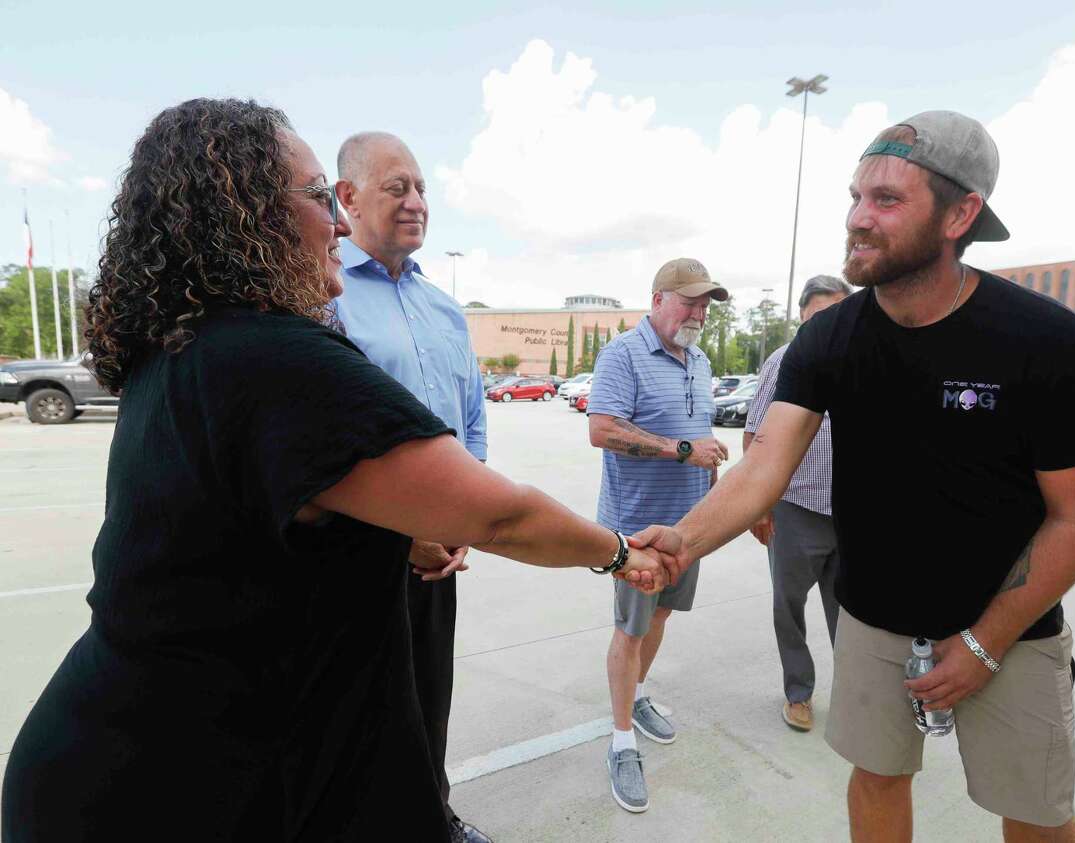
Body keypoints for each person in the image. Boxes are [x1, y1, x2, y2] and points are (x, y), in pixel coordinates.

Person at [0, 98, 663, 843]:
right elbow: (500, 514)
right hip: (162, 792)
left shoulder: (191, 349)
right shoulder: (275, 358)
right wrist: (620, 551)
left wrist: (398, 534)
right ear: (245, 213)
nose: (339, 225)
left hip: (121, 764)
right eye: (320, 197)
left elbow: (255, 523)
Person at [632, 111, 1075, 842]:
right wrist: (682, 538)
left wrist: (985, 644)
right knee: (876, 779)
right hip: (871, 622)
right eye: (856, 196)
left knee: (1035, 812)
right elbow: (765, 463)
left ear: (961, 214)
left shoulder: (1048, 343)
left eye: (887, 200)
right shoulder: (830, 337)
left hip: (1012, 629)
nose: (858, 219)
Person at [332, 131, 489, 843]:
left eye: (422, 188)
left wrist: (470, 519)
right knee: (356, 711)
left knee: (431, 695)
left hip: (442, 556)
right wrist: (399, 537)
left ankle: (435, 818)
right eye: (397, 187)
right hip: (355, 554)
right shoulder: (322, 295)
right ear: (348, 197)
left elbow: (472, 418)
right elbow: (319, 440)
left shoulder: (443, 309)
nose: (416, 202)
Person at [586, 257, 729, 814]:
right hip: (637, 528)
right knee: (630, 628)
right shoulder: (623, 354)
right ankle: (621, 741)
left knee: (660, 618)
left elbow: (697, 431)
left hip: (687, 527)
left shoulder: (699, 360)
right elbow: (601, 429)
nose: (699, 312)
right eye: (690, 300)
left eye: (706, 304)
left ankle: (638, 696)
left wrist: (707, 464)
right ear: (658, 299)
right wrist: (681, 449)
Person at [744, 274, 851, 733]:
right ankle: (798, 693)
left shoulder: (861, 362)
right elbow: (754, 434)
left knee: (849, 615)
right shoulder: (784, 361)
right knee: (788, 605)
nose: (825, 325)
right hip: (794, 509)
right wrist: (758, 505)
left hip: (850, 514)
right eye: (816, 316)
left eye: (835, 315)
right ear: (803, 317)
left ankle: (854, 701)